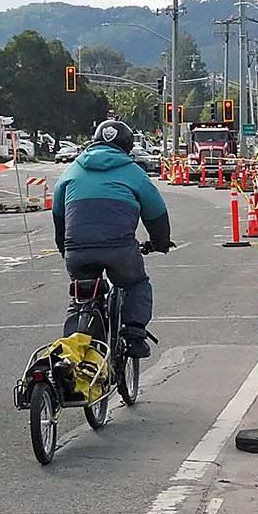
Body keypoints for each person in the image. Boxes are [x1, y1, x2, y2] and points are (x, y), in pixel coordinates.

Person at [52, 120, 171, 358]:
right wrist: (160, 242)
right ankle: (134, 335)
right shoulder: (133, 172)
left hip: (77, 251)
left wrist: (64, 249)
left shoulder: (72, 170)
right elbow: (156, 213)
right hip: (119, 249)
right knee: (135, 283)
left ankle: (74, 352)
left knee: (81, 297)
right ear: (127, 148)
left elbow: (58, 215)